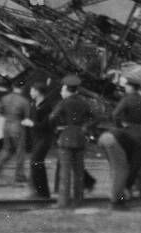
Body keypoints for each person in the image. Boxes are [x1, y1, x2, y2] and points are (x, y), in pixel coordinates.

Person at [51, 74, 94, 209]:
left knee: (65, 171)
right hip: (80, 137)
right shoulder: (84, 102)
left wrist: (60, 126)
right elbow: (96, 117)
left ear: (66, 89)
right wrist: (86, 127)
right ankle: (78, 201)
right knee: (79, 172)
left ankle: (63, 202)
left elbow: (52, 117)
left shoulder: (64, 102)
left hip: (66, 137)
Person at [112, 72, 141, 198]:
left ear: (131, 87)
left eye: (126, 86)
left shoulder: (126, 100)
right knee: (138, 164)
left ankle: (126, 189)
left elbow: (115, 114)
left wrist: (120, 126)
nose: (125, 88)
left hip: (128, 133)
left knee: (126, 163)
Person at [24, 80, 58, 199]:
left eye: (33, 90)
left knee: (35, 161)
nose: (30, 92)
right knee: (37, 163)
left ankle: (42, 192)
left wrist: (31, 124)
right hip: (36, 138)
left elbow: (46, 125)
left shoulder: (46, 106)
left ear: (39, 92)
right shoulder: (34, 104)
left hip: (44, 139)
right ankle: (41, 192)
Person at [0, 80, 31, 184]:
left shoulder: (4, 98)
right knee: (20, 151)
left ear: (13, 86)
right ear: (22, 88)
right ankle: (19, 175)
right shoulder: (24, 101)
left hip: (6, 125)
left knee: (6, 149)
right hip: (18, 125)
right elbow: (27, 117)